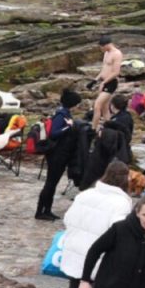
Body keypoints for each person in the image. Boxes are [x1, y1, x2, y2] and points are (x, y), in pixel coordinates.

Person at [52, 161, 134, 288]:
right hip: (101, 260)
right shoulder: (121, 203)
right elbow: (118, 233)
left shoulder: (85, 195)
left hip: (76, 255)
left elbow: (68, 219)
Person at [34, 89, 86, 220]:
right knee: (50, 183)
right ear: (73, 104)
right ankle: (40, 211)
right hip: (56, 155)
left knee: (53, 183)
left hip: (61, 154)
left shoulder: (64, 113)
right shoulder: (61, 115)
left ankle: (47, 210)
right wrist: (68, 127)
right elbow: (53, 133)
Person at [91, 37, 123, 128]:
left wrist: (104, 82)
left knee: (97, 105)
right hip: (103, 80)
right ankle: (109, 126)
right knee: (105, 107)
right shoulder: (106, 53)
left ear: (107, 45)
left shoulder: (117, 54)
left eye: (102, 47)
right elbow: (104, 68)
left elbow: (116, 72)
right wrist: (95, 80)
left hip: (111, 82)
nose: (101, 49)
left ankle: (93, 128)